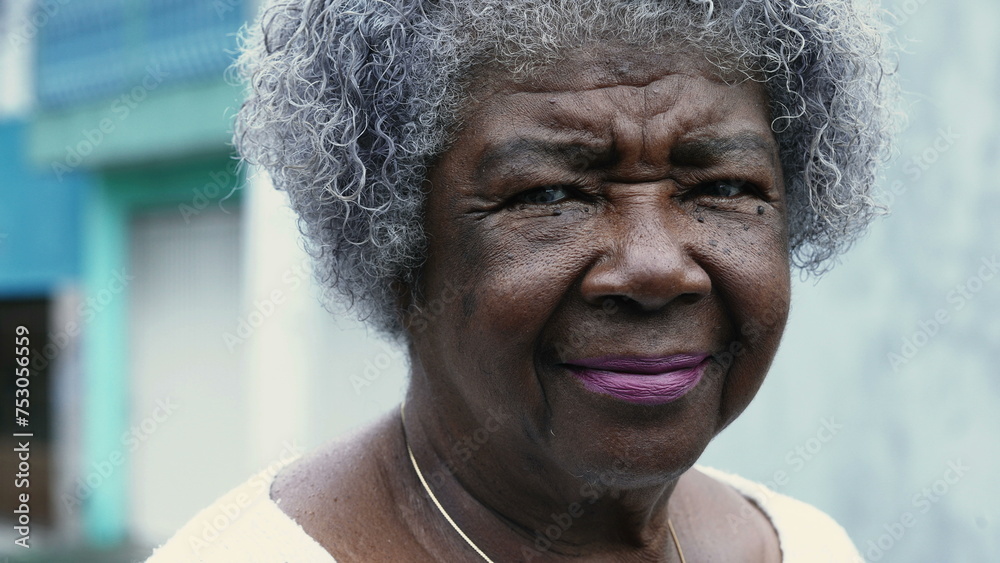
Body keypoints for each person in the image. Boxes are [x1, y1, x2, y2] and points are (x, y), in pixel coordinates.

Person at [149, 0, 895, 560]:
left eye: (723, 187)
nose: (656, 265)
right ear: (396, 238)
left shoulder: (806, 545)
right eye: (549, 194)